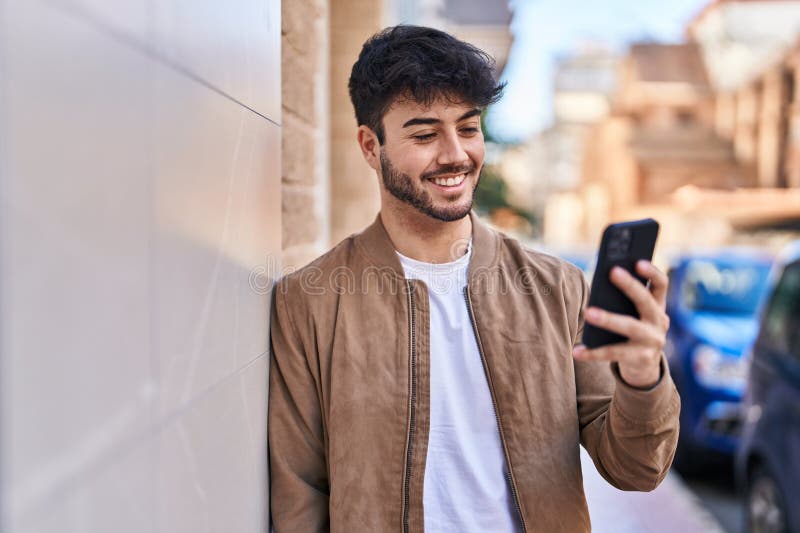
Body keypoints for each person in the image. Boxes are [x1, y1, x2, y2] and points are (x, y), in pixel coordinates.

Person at [268, 25, 680, 533]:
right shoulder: (309, 302)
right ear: (371, 147)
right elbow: (298, 497)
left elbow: (637, 470)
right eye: (424, 135)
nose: (455, 155)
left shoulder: (559, 289)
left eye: (468, 128)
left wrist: (642, 378)